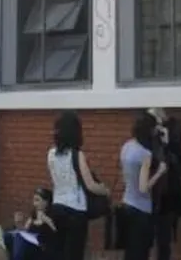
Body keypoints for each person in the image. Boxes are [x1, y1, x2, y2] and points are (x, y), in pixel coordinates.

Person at [46, 111, 109, 260]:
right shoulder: (77, 155)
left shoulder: (51, 153)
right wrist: (105, 190)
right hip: (75, 211)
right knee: (74, 254)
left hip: (57, 207)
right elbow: (90, 185)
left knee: (59, 253)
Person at [120, 112, 165, 260]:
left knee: (129, 252)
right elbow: (143, 188)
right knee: (140, 253)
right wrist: (159, 172)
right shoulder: (145, 154)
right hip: (141, 209)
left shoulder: (126, 146)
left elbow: (124, 177)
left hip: (127, 203)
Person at [149, 109, 181, 260]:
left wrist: (167, 143)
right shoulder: (146, 141)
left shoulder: (171, 142)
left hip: (166, 195)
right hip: (149, 193)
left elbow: (178, 167)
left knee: (164, 241)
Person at [12, 188, 55, 260]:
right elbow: (25, 229)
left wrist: (45, 221)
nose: (34, 204)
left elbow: (54, 233)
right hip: (29, 243)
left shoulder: (52, 215)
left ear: (46, 202)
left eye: (37, 200)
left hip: (41, 247)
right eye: (34, 200)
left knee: (19, 240)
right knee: (9, 236)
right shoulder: (34, 214)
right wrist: (18, 223)